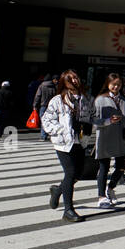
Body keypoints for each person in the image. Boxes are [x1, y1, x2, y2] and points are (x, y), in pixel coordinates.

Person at [40, 69, 86, 223]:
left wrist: (107, 121)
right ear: (64, 82)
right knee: (71, 172)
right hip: (63, 144)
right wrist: (61, 131)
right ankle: (68, 210)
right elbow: (46, 120)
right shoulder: (57, 100)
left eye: (76, 77)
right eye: (71, 78)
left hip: (80, 141)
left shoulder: (84, 99)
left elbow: (92, 118)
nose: (74, 80)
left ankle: (57, 190)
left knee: (78, 174)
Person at [93, 73, 125, 208]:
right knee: (104, 168)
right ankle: (101, 196)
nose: (116, 87)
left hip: (120, 137)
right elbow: (94, 121)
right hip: (104, 137)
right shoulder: (100, 100)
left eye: (119, 84)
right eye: (113, 84)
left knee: (121, 167)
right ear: (107, 84)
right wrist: (108, 121)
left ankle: (110, 189)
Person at [33, 74, 57, 141]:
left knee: (43, 121)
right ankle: (52, 135)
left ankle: (43, 136)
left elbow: (38, 96)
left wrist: (35, 105)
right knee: (52, 120)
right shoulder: (54, 86)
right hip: (52, 106)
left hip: (43, 105)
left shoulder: (42, 86)